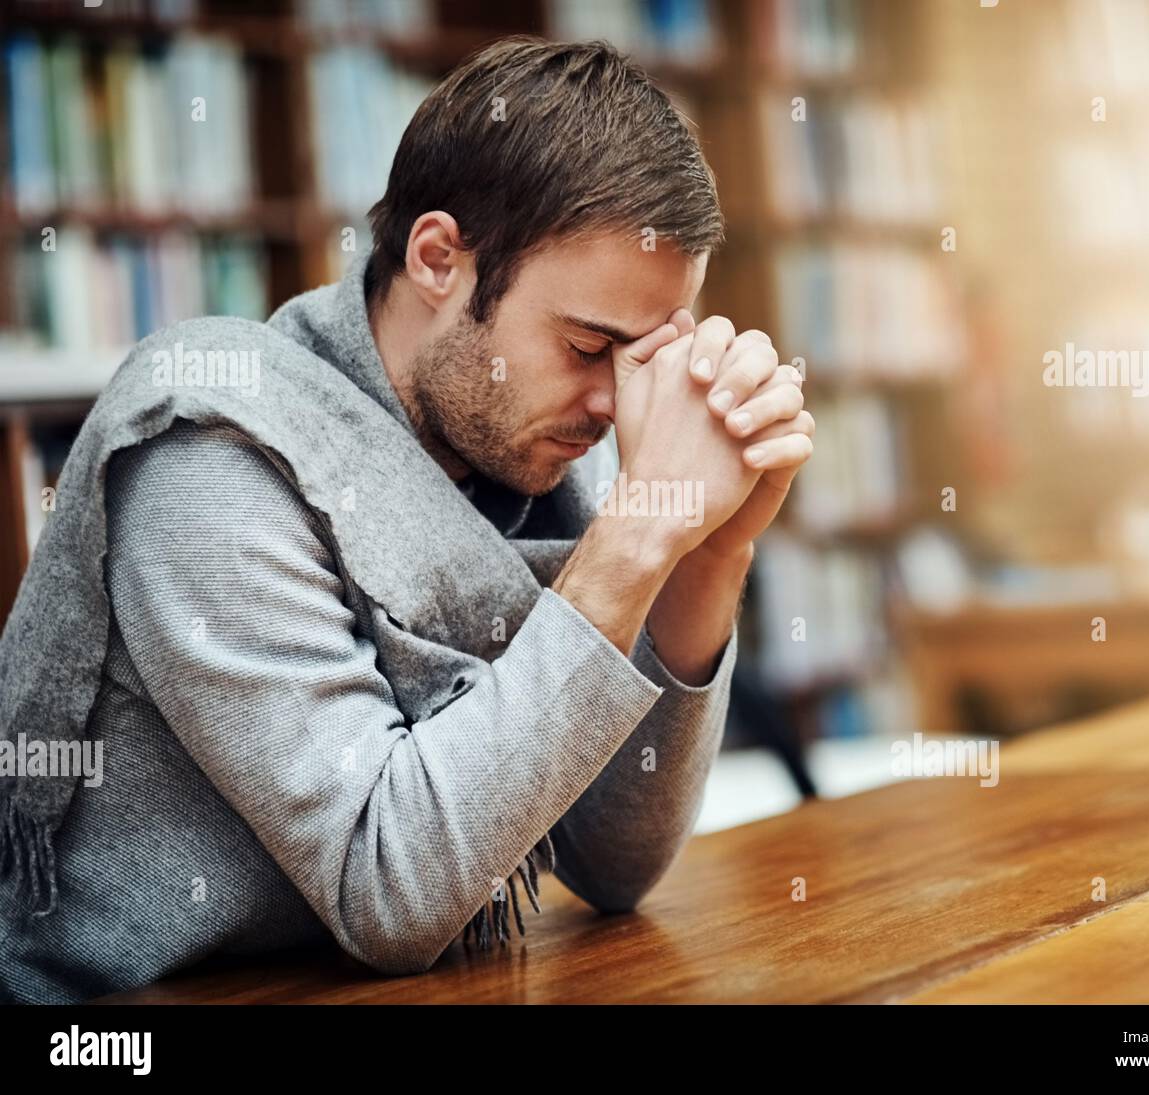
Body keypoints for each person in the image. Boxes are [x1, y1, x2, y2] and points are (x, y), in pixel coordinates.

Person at [0, 36, 813, 1003]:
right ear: (438, 258)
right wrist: (637, 534)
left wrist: (709, 551)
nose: (612, 406)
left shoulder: (519, 455)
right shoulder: (209, 453)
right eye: (589, 344)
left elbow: (611, 862)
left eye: (641, 360)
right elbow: (388, 885)